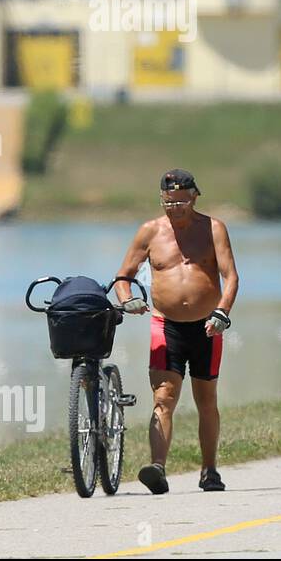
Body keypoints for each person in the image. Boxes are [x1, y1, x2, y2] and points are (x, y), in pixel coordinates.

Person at [113, 169, 239, 495]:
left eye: (182, 201)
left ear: (195, 196)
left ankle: (209, 470)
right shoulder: (149, 232)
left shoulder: (214, 229)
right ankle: (157, 468)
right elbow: (123, 276)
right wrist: (127, 301)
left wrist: (222, 312)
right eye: (169, 202)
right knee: (163, 397)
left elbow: (231, 277)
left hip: (208, 328)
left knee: (206, 399)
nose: (176, 208)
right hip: (165, 326)